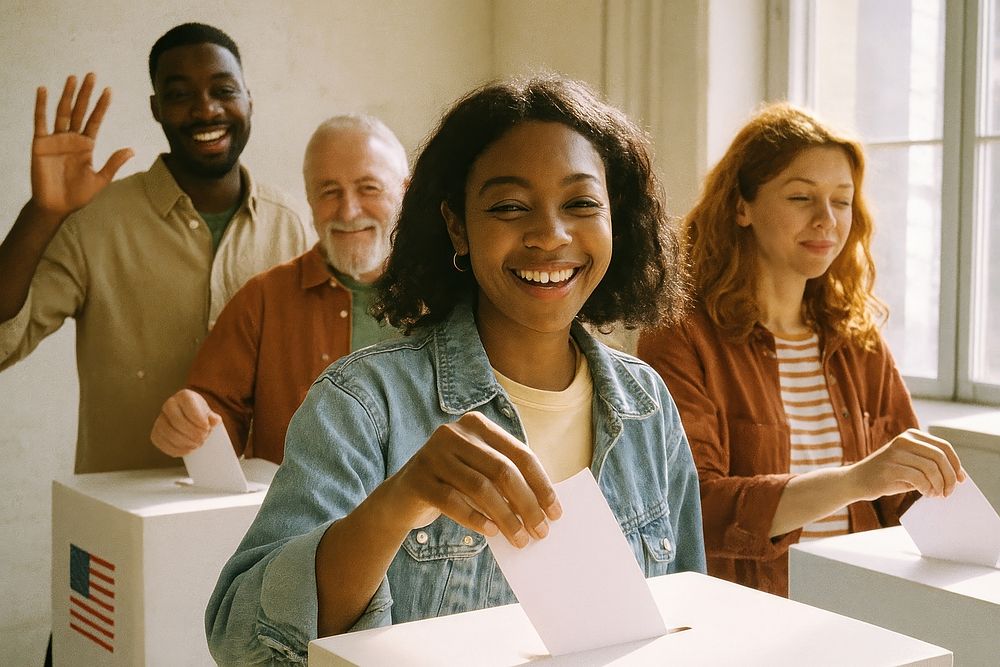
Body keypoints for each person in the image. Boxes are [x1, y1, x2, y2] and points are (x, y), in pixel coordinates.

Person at [205, 75, 706, 664]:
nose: (550, 236)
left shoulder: (647, 403)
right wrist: (397, 503)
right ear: (457, 226)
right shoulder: (363, 404)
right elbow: (239, 640)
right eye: (509, 207)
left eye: (581, 204)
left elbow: (686, 622)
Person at [637, 103, 965, 597]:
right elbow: (692, 507)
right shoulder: (682, 335)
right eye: (801, 197)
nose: (826, 220)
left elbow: (910, 498)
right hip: (750, 612)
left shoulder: (858, 339)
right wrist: (856, 480)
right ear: (741, 207)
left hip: (864, 604)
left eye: (842, 201)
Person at [0, 23, 311, 474]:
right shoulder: (94, 221)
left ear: (249, 100)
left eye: (223, 90)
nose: (206, 110)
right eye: (180, 94)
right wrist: (42, 213)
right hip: (122, 510)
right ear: (156, 109)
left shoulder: (294, 225)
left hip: (261, 509)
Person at [149, 115, 408, 464]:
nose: (348, 212)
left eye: (369, 188)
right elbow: (214, 417)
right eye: (329, 191)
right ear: (310, 200)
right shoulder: (262, 300)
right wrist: (187, 423)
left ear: (406, 191)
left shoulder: (451, 297)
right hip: (296, 503)